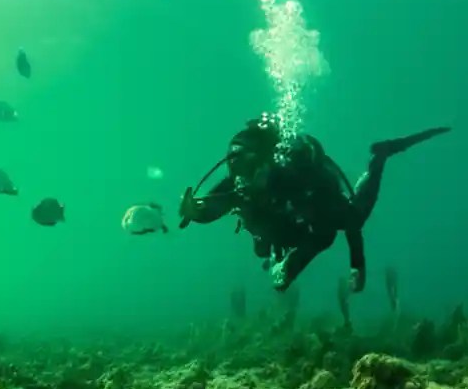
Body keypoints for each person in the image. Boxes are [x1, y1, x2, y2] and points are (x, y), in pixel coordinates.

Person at [178, 113, 450, 292]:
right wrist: (196, 212)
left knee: (338, 226)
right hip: (285, 223)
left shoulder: (301, 175)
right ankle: (282, 261)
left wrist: (357, 265)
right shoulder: (241, 178)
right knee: (262, 241)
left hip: (319, 211)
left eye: (252, 171)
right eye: (238, 174)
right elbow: (215, 205)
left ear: (267, 163)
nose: (243, 182)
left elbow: (351, 222)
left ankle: (380, 155)